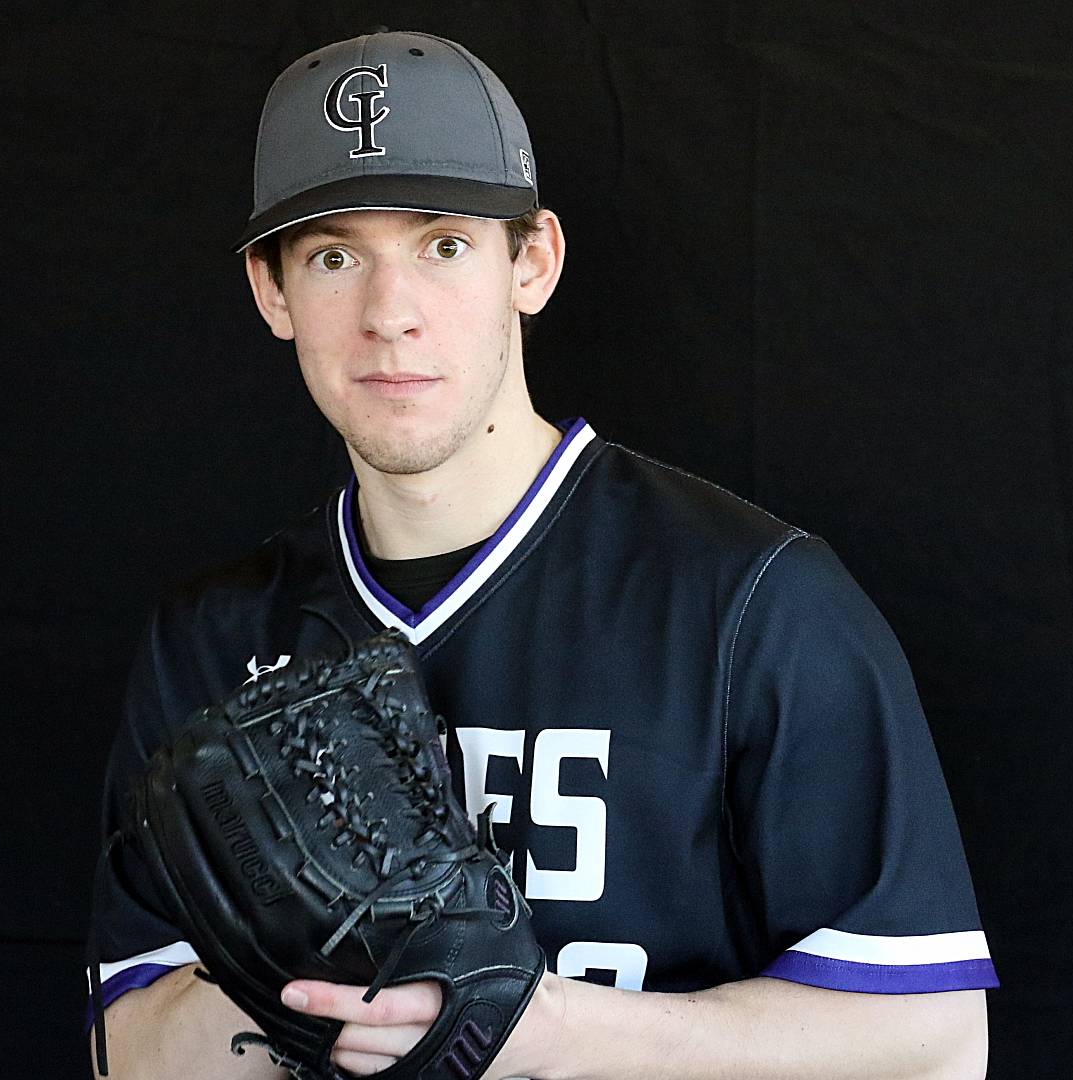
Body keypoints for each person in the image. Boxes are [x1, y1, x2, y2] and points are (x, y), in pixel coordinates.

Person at [86, 29, 998, 1079]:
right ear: (272, 291)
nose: (391, 316)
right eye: (336, 257)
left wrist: (544, 1028)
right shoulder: (212, 638)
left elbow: (931, 1045)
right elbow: (130, 1055)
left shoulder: (751, 601)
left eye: (443, 246)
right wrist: (267, 965)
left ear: (533, 261)